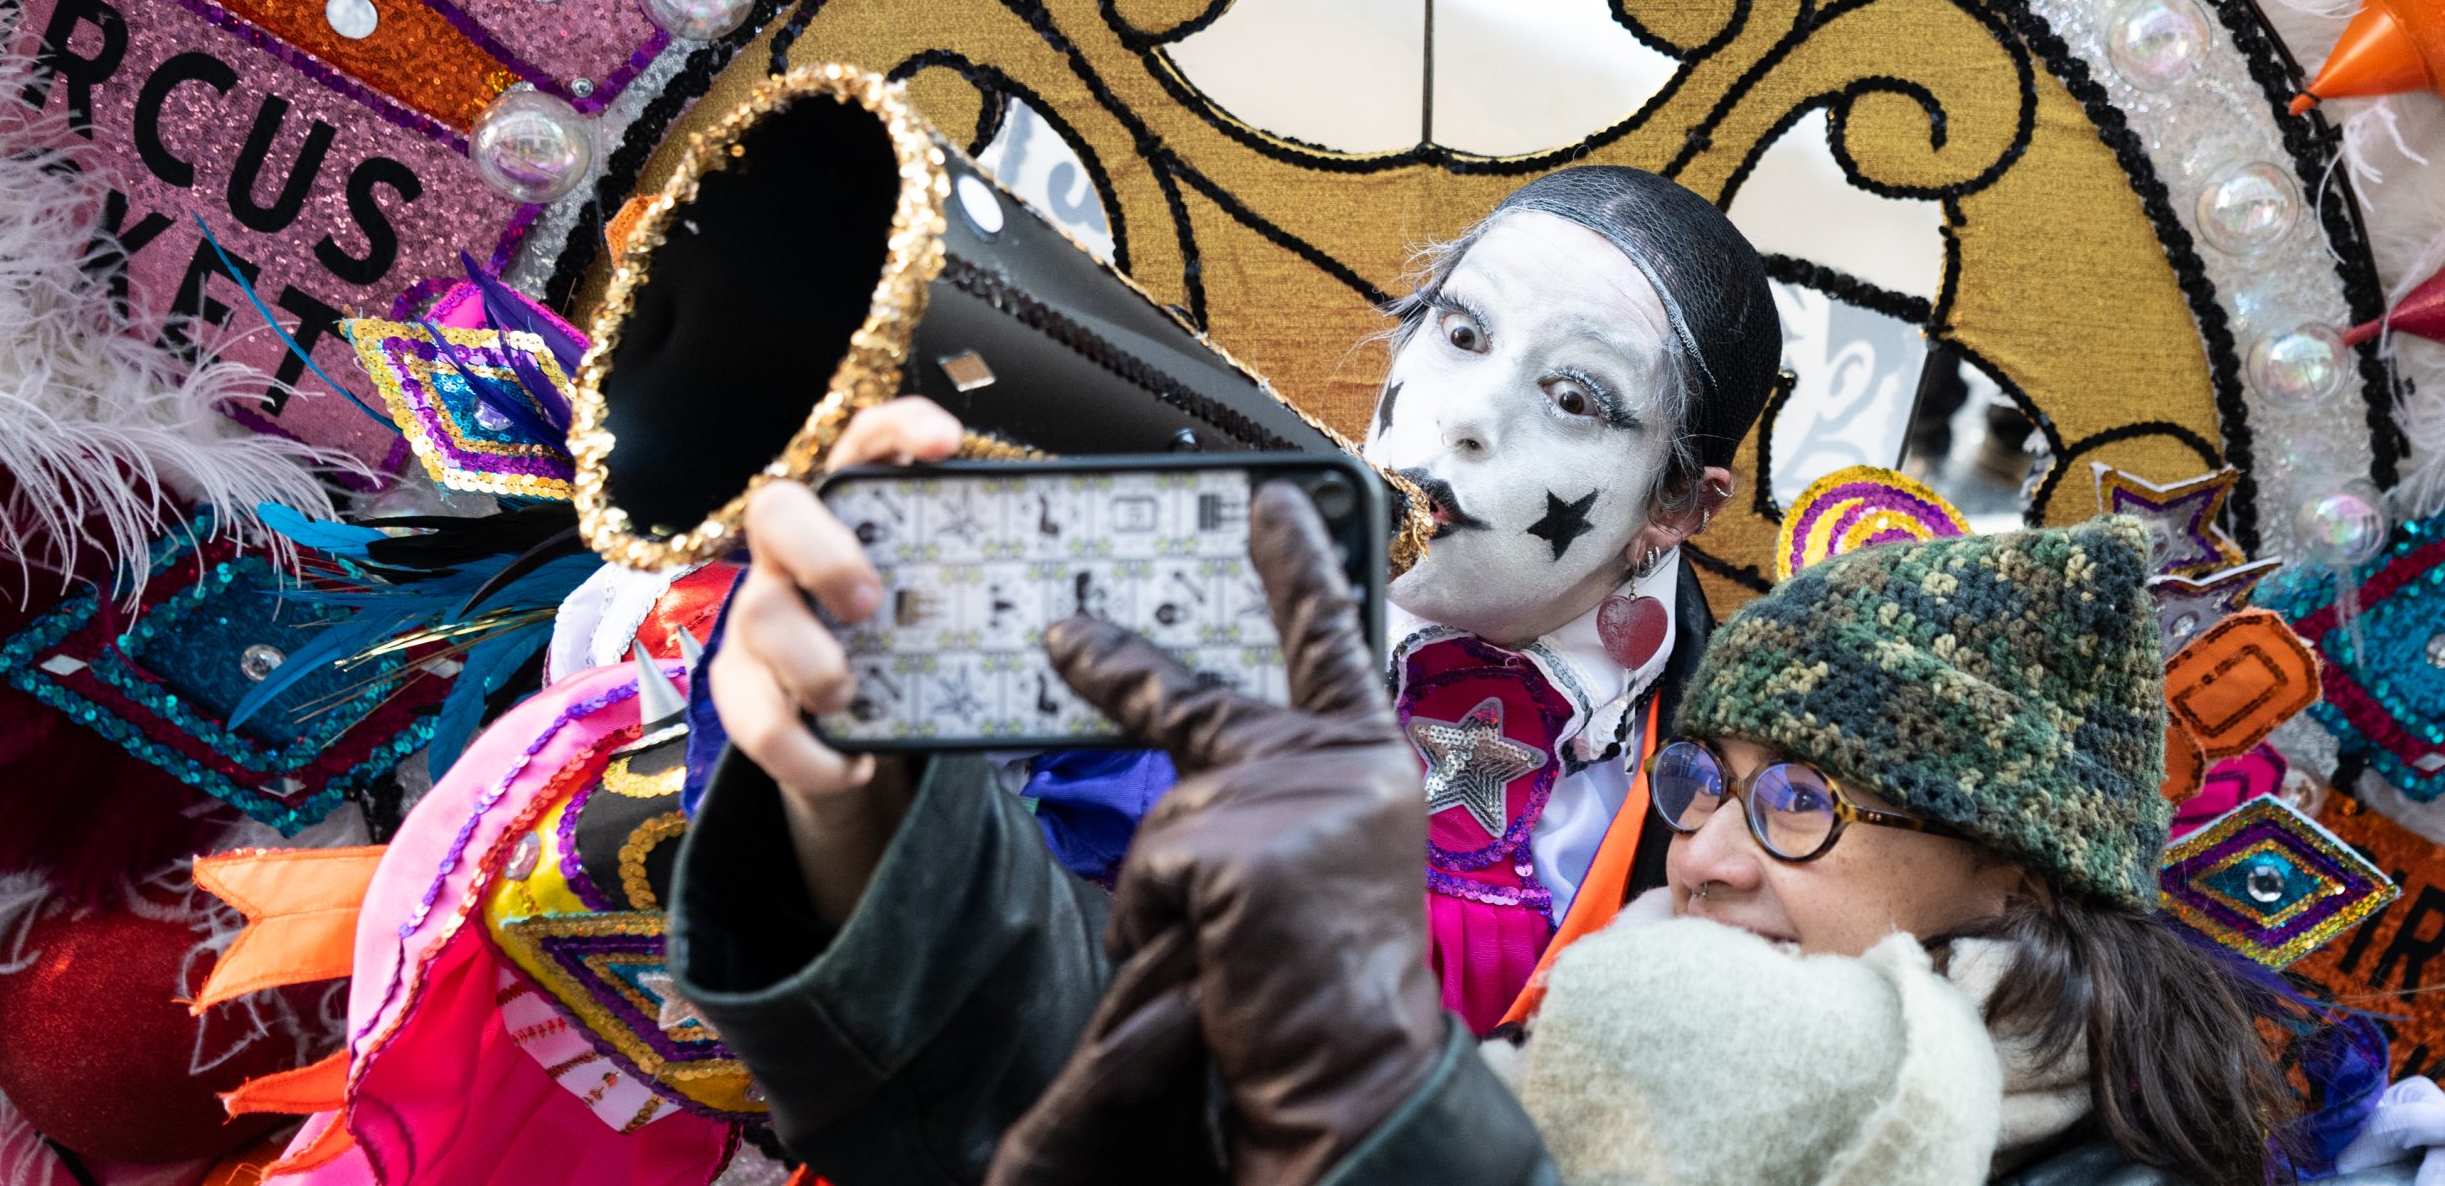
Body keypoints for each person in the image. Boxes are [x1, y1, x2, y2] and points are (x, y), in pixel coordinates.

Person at [667, 164, 1782, 1176]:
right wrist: (853, 780)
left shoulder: (1712, 816)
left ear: (1679, 506)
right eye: (1459, 334)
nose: (1470, 418)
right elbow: (966, 1026)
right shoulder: (1146, 563)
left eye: (1574, 398)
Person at [984, 508, 2398, 1186]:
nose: (1705, 857)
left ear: (2022, 870)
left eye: (1797, 798)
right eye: (1702, 788)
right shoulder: (1576, 1051)